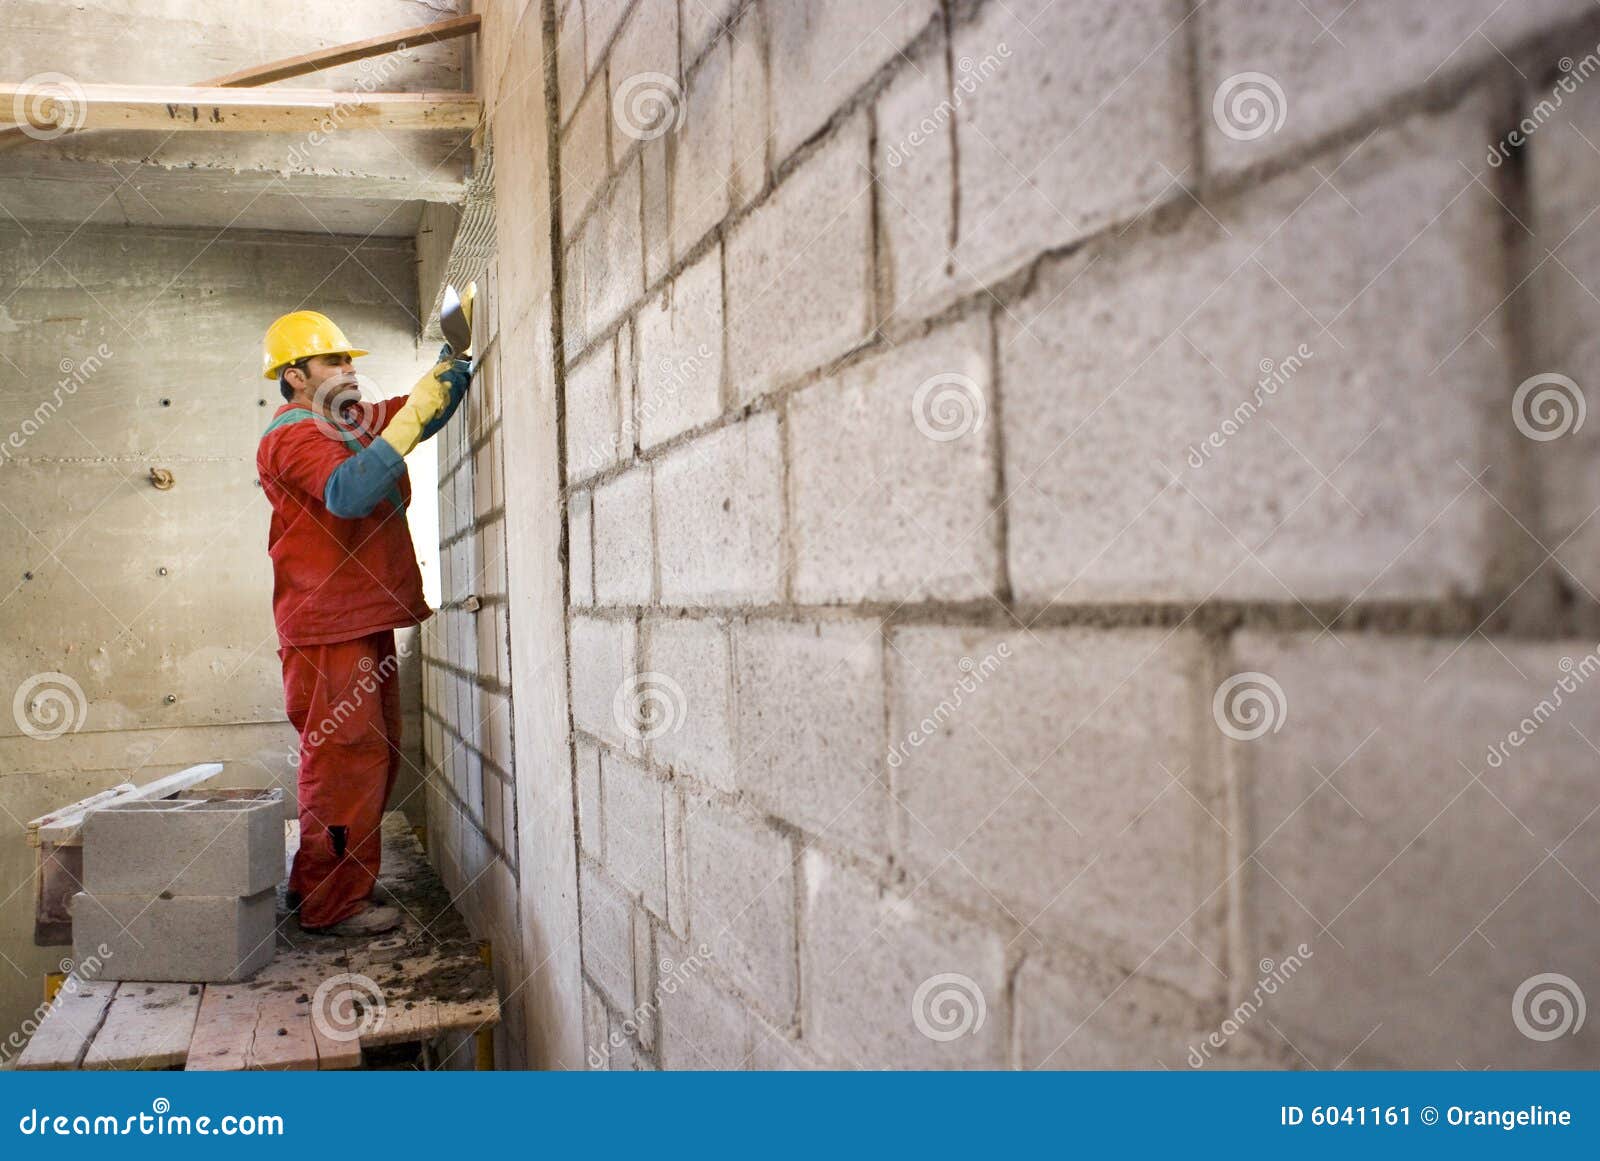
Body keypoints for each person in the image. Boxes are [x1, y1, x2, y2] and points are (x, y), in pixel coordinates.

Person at [255, 309, 471, 936]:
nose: (350, 371)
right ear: (296, 375)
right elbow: (348, 492)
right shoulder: (294, 436)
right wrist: (411, 414)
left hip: (358, 618)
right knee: (345, 763)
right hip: (328, 629)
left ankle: (318, 886)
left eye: (351, 361)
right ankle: (331, 904)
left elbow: (407, 416)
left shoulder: (340, 423)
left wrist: (451, 372)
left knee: (369, 757)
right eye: (335, 362)